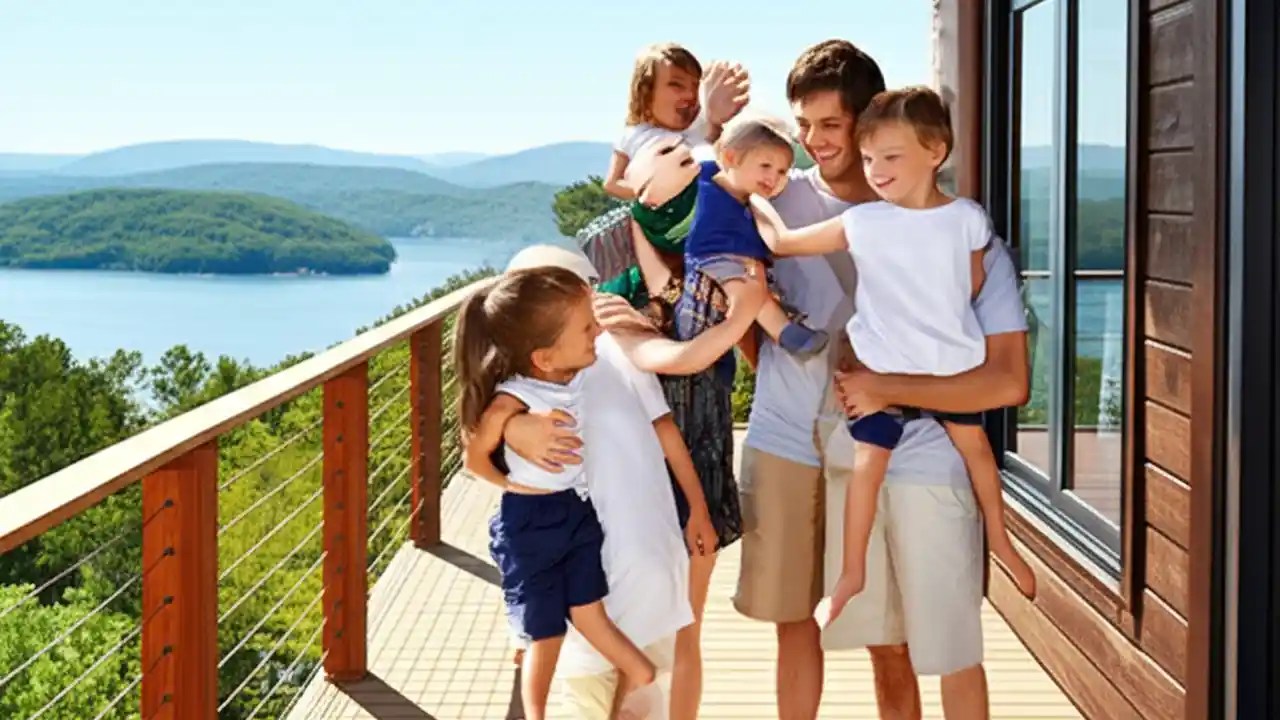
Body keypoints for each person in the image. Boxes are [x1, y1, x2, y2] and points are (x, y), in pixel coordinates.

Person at [731, 39, 1027, 720]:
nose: (811, 143)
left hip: (895, 452)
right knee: (806, 623)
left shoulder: (956, 235)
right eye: (802, 126)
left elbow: (1001, 378)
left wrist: (886, 389)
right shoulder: (781, 195)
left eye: (830, 126)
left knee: (900, 642)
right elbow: (734, 277)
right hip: (797, 439)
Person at [498, 244, 759, 720]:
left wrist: (698, 510)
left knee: (637, 684)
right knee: (591, 689)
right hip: (582, 562)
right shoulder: (518, 383)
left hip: (641, 554)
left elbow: (664, 429)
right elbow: (481, 442)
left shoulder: (614, 351)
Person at [454, 266, 661, 720]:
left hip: (573, 512)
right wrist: (511, 486)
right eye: (586, 328)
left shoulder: (570, 378)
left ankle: (638, 670)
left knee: (590, 610)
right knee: (544, 633)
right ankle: (536, 713)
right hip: (530, 522)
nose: (597, 331)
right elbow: (474, 457)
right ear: (544, 357)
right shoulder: (514, 396)